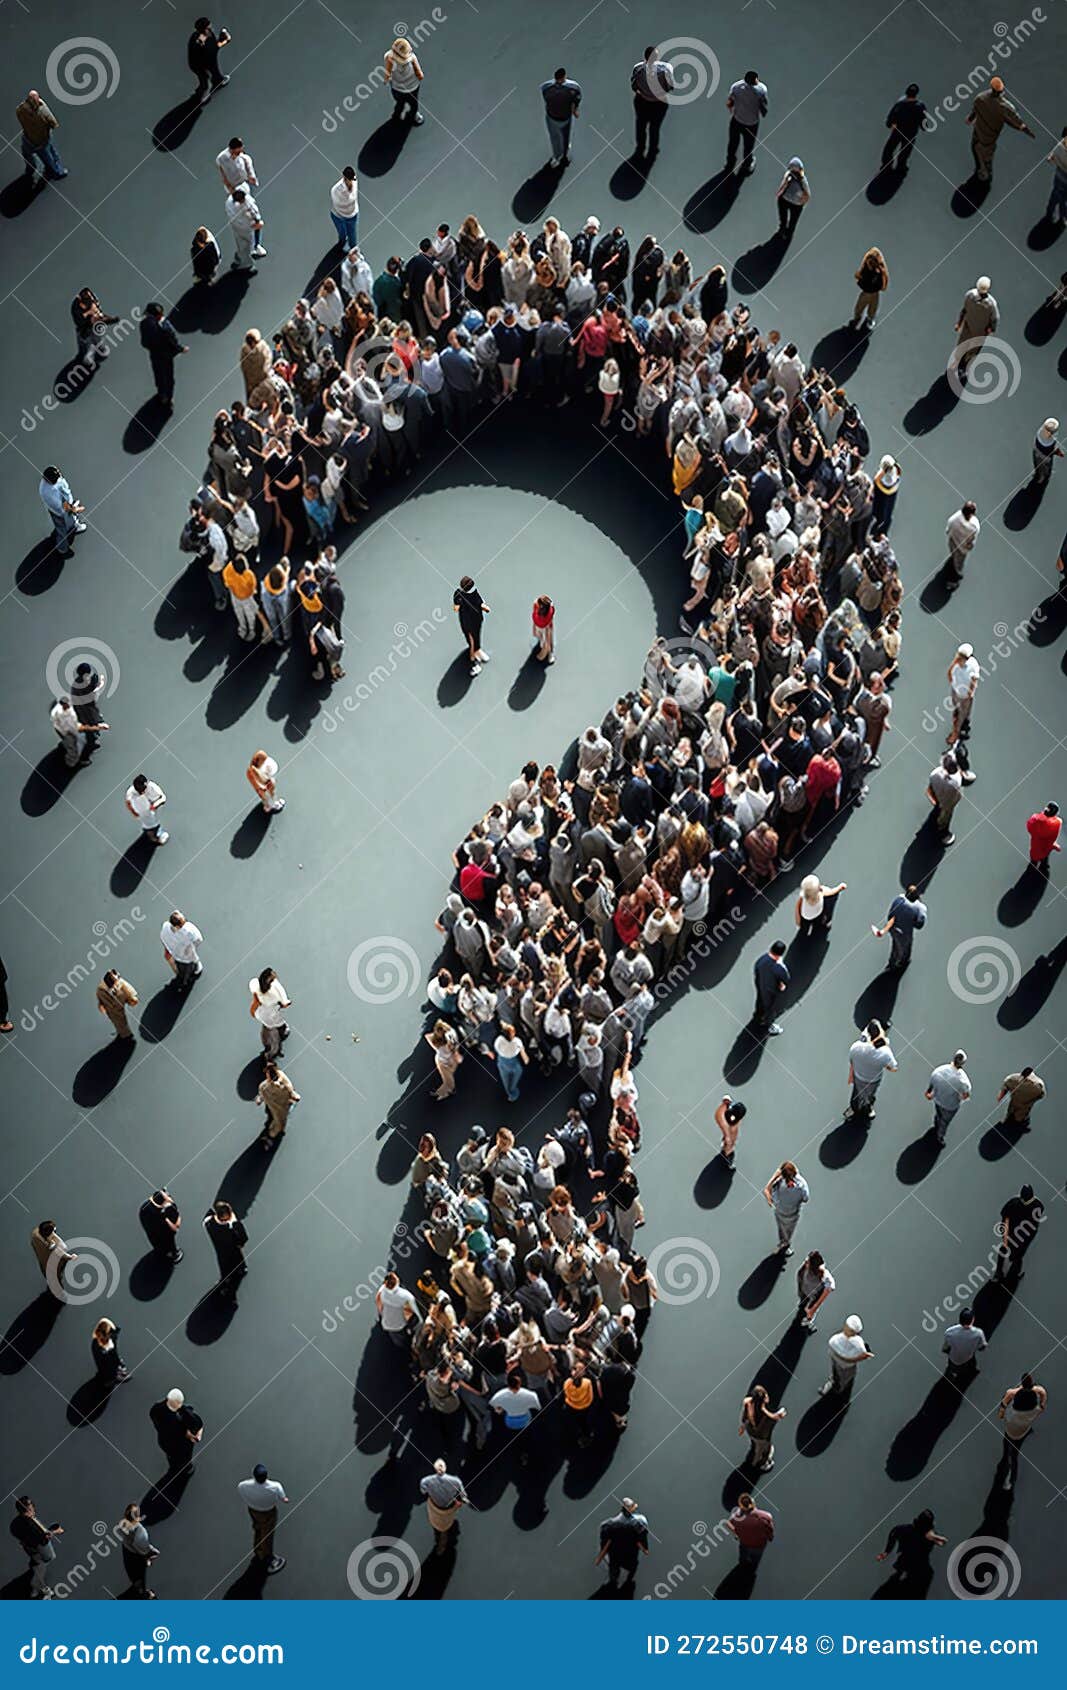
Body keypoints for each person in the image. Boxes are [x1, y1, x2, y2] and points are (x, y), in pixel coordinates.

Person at [966, 76, 1034, 182]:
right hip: (989, 137)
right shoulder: (1005, 107)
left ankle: (980, 167)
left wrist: (970, 120)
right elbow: (1017, 122)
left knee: (974, 148)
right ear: (1001, 91)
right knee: (986, 156)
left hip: (978, 130)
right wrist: (1028, 131)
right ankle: (985, 172)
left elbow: (974, 111)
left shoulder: (980, 97)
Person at [876, 1510, 946, 1592]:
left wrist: (886, 1552)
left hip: (906, 1559)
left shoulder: (905, 1529)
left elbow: (893, 1532)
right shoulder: (929, 1538)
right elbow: (943, 1542)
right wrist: (934, 1536)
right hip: (918, 1564)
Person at [998, 1372, 1047, 1489]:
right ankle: (1012, 1477)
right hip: (1024, 1427)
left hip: (1012, 1427)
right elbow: (1043, 1393)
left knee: (1008, 1447)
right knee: (1016, 1451)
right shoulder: (1035, 1407)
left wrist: (1001, 1413)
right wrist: (1041, 1404)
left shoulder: (1012, 1396)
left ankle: (1008, 1473)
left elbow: (1004, 1405)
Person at [237, 1464, 288, 1574]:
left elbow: (240, 1489)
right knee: (267, 1534)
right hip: (268, 1513)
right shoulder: (275, 1486)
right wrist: (285, 1499)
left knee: (257, 1529)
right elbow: (283, 1498)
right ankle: (267, 1557)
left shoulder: (244, 1485)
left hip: (253, 1510)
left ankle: (258, 1551)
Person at [10, 1498, 63, 1599]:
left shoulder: (15, 1524)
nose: (33, 1510)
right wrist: (57, 1531)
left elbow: (16, 1533)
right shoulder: (33, 1527)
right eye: (30, 1509)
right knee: (48, 1559)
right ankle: (40, 1590)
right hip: (40, 1547)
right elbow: (45, 1537)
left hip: (30, 1548)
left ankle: (36, 1569)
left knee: (37, 1561)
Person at [845, 1020, 897, 1119]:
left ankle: (854, 1109)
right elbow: (893, 1068)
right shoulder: (885, 1052)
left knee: (856, 1094)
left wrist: (851, 1075)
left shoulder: (855, 1047)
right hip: (873, 1080)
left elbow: (851, 1061)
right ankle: (867, 1109)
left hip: (858, 1076)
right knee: (869, 1095)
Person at [139, 303, 188, 408]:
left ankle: (162, 394)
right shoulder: (164, 327)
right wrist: (180, 349)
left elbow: (144, 343)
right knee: (169, 377)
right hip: (166, 356)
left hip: (155, 355)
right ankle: (168, 398)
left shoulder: (144, 324)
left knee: (159, 375)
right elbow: (172, 341)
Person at [630, 45, 675, 158]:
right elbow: (670, 87)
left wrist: (644, 92)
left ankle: (640, 148)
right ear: (657, 57)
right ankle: (653, 150)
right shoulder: (666, 69)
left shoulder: (638, 69)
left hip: (642, 102)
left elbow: (634, 86)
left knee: (641, 125)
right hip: (659, 104)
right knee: (655, 128)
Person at [595, 1497, 650, 1588]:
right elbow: (642, 1539)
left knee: (614, 1571)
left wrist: (602, 1554)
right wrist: (645, 1549)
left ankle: (612, 1584)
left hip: (614, 1555)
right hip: (630, 1554)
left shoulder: (607, 1525)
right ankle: (629, 1583)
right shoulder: (640, 1522)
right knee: (632, 1568)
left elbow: (604, 1543)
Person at [872, 883, 927, 970]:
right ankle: (902, 963)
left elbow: (891, 916)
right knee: (905, 950)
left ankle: (892, 962)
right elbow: (919, 925)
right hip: (905, 934)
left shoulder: (898, 900)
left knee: (895, 945)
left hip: (894, 930)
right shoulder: (920, 908)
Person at [995, 1183, 1044, 1280]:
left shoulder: (1037, 1206)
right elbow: (1005, 1220)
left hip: (1025, 1234)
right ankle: (999, 1272)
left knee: (1018, 1253)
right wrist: (1005, 1238)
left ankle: (1013, 1273)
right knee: (1004, 1249)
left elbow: (1035, 1224)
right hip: (1012, 1232)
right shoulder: (1014, 1204)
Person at [952, 277, 997, 381]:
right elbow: (994, 319)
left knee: (972, 350)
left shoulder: (989, 304)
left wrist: (990, 329)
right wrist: (959, 323)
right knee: (963, 346)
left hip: (978, 331)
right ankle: (957, 362)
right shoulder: (973, 297)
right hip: (970, 328)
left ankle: (963, 366)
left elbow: (994, 319)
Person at [150, 1388, 204, 1475]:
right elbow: (197, 1423)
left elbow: (154, 1418)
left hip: (164, 1442)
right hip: (181, 1446)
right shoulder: (182, 1417)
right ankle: (186, 1468)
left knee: (171, 1456)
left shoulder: (156, 1409)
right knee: (184, 1458)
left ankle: (173, 1465)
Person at [15, 89, 66, 181]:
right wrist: (44, 105)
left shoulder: (21, 109)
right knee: (50, 157)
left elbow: (18, 113)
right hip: (42, 141)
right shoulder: (42, 111)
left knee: (27, 155)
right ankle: (58, 172)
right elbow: (54, 124)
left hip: (27, 139)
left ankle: (31, 169)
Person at [819, 1313, 872, 1400]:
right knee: (844, 1377)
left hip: (839, 1362)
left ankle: (837, 1385)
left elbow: (832, 1347)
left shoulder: (835, 1340)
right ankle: (839, 1387)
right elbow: (862, 1355)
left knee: (839, 1375)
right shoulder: (858, 1343)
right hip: (847, 1366)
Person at [203, 1199, 248, 1300]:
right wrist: (234, 1221)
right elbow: (243, 1240)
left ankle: (227, 1281)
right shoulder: (232, 1228)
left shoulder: (209, 1223)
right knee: (235, 1269)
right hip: (233, 1252)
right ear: (225, 1216)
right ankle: (231, 1294)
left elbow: (207, 1218)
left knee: (225, 1271)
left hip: (221, 1253)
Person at [725, 70, 768, 175]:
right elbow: (764, 110)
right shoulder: (761, 90)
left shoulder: (736, 87)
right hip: (751, 124)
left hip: (737, 121)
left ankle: (730, 163)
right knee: (748, 146)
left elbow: (730, 102)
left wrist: (733, 111)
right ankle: (747, 164)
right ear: (755, 80)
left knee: (733, 144)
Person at [420, 1459, 467, 1554]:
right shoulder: (455, 1481)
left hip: (434, 1507)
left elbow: (423, 1490)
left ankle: (441, 1538)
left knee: (438, 1525)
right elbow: (462, 1496)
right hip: (447, 1510)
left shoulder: (427, 1480)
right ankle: (442, 1538)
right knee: (443, 1526)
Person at [763, 1160, 809, 1256]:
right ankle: (786, 1243)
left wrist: (775, 1178)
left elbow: (772, 1195)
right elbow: (805, 1198)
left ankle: (783, 1242)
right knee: (789, 1231)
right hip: (793, 1213)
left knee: (782, 1229)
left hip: (780, 1213)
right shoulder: (802, 1185)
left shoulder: (779, 1185)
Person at [39, 465, 86, 557]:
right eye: (58, 476)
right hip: (59, 513)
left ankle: (74, 526)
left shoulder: (56, 478)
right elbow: (61, 507)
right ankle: (62, 548)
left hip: (66, 506)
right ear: (51, 481)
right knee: (61, 529)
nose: (60, 476)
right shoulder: (47, 492)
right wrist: (74, 509)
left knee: (71, 518)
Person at [925, 1049, 971, 1145]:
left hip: (937, 1100)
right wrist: (960, 1098)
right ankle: (940, 1136)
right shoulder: (963, 1081)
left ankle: (937, 1120)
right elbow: (965, 1095)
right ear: (963, 1063)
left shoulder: (938, 1071)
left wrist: (929, 1093)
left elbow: (930, 1087)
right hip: (950, 1106)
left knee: (938, 1113)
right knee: (945, 1122)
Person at [51, 694, 108, 768]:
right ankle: (71, 763)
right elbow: (79, 728)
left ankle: (66, 745)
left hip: (66, 728)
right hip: (67, 732)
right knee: (73, 747)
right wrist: (98, 727)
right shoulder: (65, 718)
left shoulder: (65, 708)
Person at [116, 1503, 159, 1598]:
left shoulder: (122, 1524)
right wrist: (152, 1554)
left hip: (128, 1554)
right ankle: (142, 1595)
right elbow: (145, 1548)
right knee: (139, 1578)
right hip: (137, 1558)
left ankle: (139, 1590)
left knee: (135, 1577)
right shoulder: (141, 1532)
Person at [541, 65, 581, 167]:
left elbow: (545, 98)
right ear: (564, 77)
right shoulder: (573, 87)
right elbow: (577, 98)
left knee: (554, 138)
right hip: (565, 118)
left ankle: (557, 156)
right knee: (565, 135)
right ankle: (565, 154)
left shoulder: (546, 87)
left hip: (551, 117)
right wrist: (574, 110)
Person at [739, 1384, 786, 1471]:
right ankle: (760, 1464)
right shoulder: (765, 1415)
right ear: (764, 1399)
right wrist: (781, 1413)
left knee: (754, 1443)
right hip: (760, 1437)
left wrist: (743, 1427)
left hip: (750, 1430)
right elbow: (774, 1417)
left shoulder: (747, 1402)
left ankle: (753, 1447)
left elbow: (744, 1417)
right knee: (765, 1450)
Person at [881, 83, 926, 171]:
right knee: (905, 151)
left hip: (898, 131)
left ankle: (887, 165)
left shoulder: (900, 104)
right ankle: (901, 166)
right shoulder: (920, 106)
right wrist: (924, 127)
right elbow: (923, 120)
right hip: (911, 133)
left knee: (889, 148)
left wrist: (889, 124)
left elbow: (892, 115)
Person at [249, 967, 291, 1058]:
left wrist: (252, 1011)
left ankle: (279, 1030)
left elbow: (255, 1002)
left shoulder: (255, 985)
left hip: (261, 1013)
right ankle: (270, 1055)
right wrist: (283, 1003)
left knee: (270, 1025)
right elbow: (285, 1004)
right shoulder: (274, 993)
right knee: (273, 1034)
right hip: (269, 1016)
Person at [257, 1061, 299, 1149]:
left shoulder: (284, 1084)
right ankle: (271, 1133)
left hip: (280, 1107)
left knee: (279, 1122)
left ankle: (270, 1135)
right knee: (274, 1118)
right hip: (272, 1106)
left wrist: (293, 1096)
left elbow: (292, 1093)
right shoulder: (264, 1086)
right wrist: (260, 1098)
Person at [453, 574, 490, 676]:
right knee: (472, 639)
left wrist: (485, 607)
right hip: (467, 621)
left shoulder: (473, 592)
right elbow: (456, 608)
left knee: (476, 636)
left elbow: (479, 603)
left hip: (477, 620)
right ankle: (473, 660)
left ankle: (477, 651)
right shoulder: (459, 594)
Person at [188, 18, 231, 103]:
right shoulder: (202, 43)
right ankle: (204, 96)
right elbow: (215, 47)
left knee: (214, 72)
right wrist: (227, 40)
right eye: (208, 28)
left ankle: (218, 81)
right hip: (201, 65)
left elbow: (214, 44)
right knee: (206, 79)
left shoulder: (199, 36)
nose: (211, 29)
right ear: (202, 30)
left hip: (204, 62)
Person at [384, 37, 424, 124]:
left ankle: (396, 116)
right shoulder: (413, 58)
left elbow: (388, 72)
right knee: (414, 103)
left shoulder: (389, 58)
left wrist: (386, 80)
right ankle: (415, 116)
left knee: (399, 103)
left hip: (397, 88)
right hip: (412, 87)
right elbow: (419, 73)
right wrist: (420, 76)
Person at [752, 939, 789, 1035]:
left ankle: (758, 1015)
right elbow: (785, 977)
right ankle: (769, 1025)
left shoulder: (761, 960)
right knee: (769, 1010)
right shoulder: (778, 967)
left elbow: (756, 970)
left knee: (760, 1003)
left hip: (761, 987)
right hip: (770, 992)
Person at [728, 1493, 774, 1566]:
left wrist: (736, 1533)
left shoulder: (736, 1518)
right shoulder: (766, 1516)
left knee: (743, 1557)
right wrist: (770, 1537)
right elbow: (769, 1529)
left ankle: (743, 1565)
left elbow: (729, 1523)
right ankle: (752, 1566)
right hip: (758, 1545)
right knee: (755, 1559)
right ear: (753, 1504)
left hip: (744, 1543)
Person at [30, 1220, 76, 1294]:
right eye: (53, 1232)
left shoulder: (36, 1235)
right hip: (55, 1265)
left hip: (46, 1265)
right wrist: (70, 1257)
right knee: (56, 1276)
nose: (54, 1234)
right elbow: (59, 1252)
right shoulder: (51, 1243)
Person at [161, 911, 203, 991]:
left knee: (181, 967)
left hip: (175, 954)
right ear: (177, 926)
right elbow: (199, 939)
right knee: (187, 970)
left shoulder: (165, 926)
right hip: (184, 958)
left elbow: (163, 937)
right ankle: (184, 981)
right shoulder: (188, 932)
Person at [926, 753, 962, 846]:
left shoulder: (934, 773)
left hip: (938, 797)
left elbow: (930, 788)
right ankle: (942, 835)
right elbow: (953, 798)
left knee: (938, 811)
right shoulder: (956, 782)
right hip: (946, 803)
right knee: (945, 819)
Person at [375, 1270, 417, 1349]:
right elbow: (409, 1313)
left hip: (387, 1324)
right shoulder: (404, 1296)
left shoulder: (380, 1292)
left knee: (396, 1338)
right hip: (400, 1325)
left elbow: (379, 1307)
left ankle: (400, 1346)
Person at [942, 1307, 987, 1380]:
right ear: (972, 1320)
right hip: (968, 1357)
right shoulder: (978, 1333)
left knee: (952, 1367)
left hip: (954, 1359)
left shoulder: (949, 1332)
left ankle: (951, 1374)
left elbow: (945, 1348)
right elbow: (982, 1347)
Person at [796, 1248, 835, 1333]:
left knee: (810, 1312)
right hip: (805, 1290)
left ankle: (808, 1321)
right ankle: (803, 1303)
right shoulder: (807, 1265)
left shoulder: (825, 1275)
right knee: (803, 1301)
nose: (806, 1261)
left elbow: (828, 1289)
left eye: (808, 1262)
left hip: (814, 1296)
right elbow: (800, 1274)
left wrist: (814, 1308)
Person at [227, 186, 265, 273]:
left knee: (244, 244)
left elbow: (256, 218)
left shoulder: (248, 204)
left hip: (243, 227)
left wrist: (256, 223)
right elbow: (256, 224)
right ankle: (244, 260)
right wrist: (255, 225)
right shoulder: (233, 206)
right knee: (245, 245)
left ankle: (255, 247)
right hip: (243, 228)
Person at [139, 1189, 183, 1263]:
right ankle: (174, 1255)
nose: (169, 1197)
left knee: (156, 1242)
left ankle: (160, 1252)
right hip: (163, 1234)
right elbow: (174, 1228)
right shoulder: (161, 1217)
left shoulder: (144, 1207)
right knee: (168, 1240)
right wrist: (178, 1217)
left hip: (152, 1233)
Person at [944, 500, 980, 590]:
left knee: (953, 554)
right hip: (962, 549)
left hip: (952, 542)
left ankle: (953, 558)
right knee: (958, 565)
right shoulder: (974, 526)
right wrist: (968, 548)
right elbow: (971, 542)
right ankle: (954, 581)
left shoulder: (955, 518)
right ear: (972, 514)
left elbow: (948, 529)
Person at [996, 1067, 1046, 1131]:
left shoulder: (1012, 1079)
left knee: (1012, 1111)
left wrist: (1000, 1097)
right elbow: (1041, 1095)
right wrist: (1031, 1101)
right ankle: (1017, 1122)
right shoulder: (1039, 1086)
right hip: (1025, 1105)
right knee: (1019, 1116)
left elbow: (1005, 1086)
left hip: (1016, 1102)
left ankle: (1010, 1119)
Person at [125, 773, 168, 846]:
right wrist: (133, 812)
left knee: (153, 820)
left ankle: (154, 831)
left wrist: (154, 806)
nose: (141, 792)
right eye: (138, 790)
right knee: (149, 823)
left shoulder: (153, 787)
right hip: (143, 810)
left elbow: (163, 798)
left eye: (142, 789)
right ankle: (152, 835)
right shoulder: (131, 792)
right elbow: (128, 802)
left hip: (154, 806)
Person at [852, 247, 889, 331]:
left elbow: (884, 278)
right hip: (866, 292)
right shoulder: (865, 268)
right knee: (860, 306)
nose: (870, 264)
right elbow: (860, 277)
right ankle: (857, 318)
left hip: (875, 292)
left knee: (873, 307)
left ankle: (870, 318)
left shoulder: (879, 271)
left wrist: (881, 285)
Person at [96, 969, 138, 1041]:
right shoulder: (101, 991)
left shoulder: (120, 983)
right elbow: (103, 1001)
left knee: (120, 1020)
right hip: (112, 1009)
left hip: (118, 1004)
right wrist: (101, 1004)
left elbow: (127, 989)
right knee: (117, 1021)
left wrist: (131, 997)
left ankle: (125, 1034)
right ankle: (124, 1034)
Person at [776, 157, 810, 238]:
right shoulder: (788, 176)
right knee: (783, 217)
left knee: (793, 221)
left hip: (796, 204)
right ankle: (783, 228)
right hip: (785, 200)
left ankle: (788, 232)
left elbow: (807, 194)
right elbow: (782, 185)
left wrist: (801, 203)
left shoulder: (803, 181)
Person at [91, 1317, 130, 1385]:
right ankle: (109, 1379)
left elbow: (114, 1352)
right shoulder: (97, 1346)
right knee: (108, 1368)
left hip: (109, 1363)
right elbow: (105, 1361)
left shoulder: (110, 1339)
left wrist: (119, 1362)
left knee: (114, 1361)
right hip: (106, 1368)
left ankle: (113, 1374)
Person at [330, 166, 359, 251]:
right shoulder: (336, 190)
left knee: (352, 236)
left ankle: (353, 250)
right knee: (342, 234)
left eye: (352, 179)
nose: (352, 182)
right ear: (344, 178)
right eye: (349, 179)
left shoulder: (355, 181)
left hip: (352, 215)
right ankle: (342, 243)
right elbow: (340, 204)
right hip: (338, 216)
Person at [1025, 801, 1061, 870]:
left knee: (1034, 860)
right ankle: (1044, 866)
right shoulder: (1056, 823)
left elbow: (1029, 827)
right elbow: (1053, 837)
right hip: (1047, 847)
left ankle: (1032, 867)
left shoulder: (1034, 820)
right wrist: (1052, 844)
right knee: (1045, 858)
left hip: (1035, 846)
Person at [247, 749, 285, 814]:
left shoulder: (260, 755)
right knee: (267, 792)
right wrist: (269, 782)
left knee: (264, 792)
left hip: (257, 779)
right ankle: (271, 805)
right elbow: (264, 783)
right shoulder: (259, 776)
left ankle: (267, 805)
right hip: (261, 783)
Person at [715, 1095, 746, 1165]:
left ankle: (727, 1149)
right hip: (729, 1125)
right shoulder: (725, 1120)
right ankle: (728, 1155)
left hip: (731, 1125)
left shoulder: (730, 1108)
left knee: (729, 1138)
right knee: (730, 1142)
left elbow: (726, 1100)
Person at [1031, 416, 1063, 486]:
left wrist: (1057, 452)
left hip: (1043, 456)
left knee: (1044, 468)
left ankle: (1043, 476)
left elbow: (1053, 448)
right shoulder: (1041, 434)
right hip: (1039, 453)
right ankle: (1039, 473)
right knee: (1038, 464)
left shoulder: (1050, 439)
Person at [1046, 125, 1067, 225]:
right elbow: (1052, 156)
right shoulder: (1060, 147)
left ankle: (1055, 213)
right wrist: (1052, 157)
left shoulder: (1060, 146)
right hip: (1061, 178)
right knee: (1059, 197)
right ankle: (1060, 215)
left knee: (1059, 197)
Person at [532, 594, 555, 665]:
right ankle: (542, 641)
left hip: (546, 628)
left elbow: (549, 623)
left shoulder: (549, 613)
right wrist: (534, 627)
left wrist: (547, 637)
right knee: (536, 635)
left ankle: (550, 654)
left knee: (547, 643)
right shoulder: (536, 605)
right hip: (537, 626)